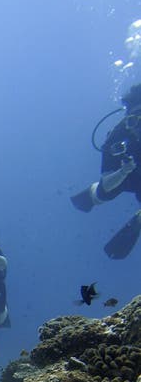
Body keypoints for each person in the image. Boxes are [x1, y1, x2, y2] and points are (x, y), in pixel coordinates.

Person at [71, 83, 141, 258]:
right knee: (102, 194)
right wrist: (124, 171)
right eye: (133, 120)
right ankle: (90, 195)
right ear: (127, 120)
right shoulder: (117, 137)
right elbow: (107, 185)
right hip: (125, 176)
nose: (137, 127)